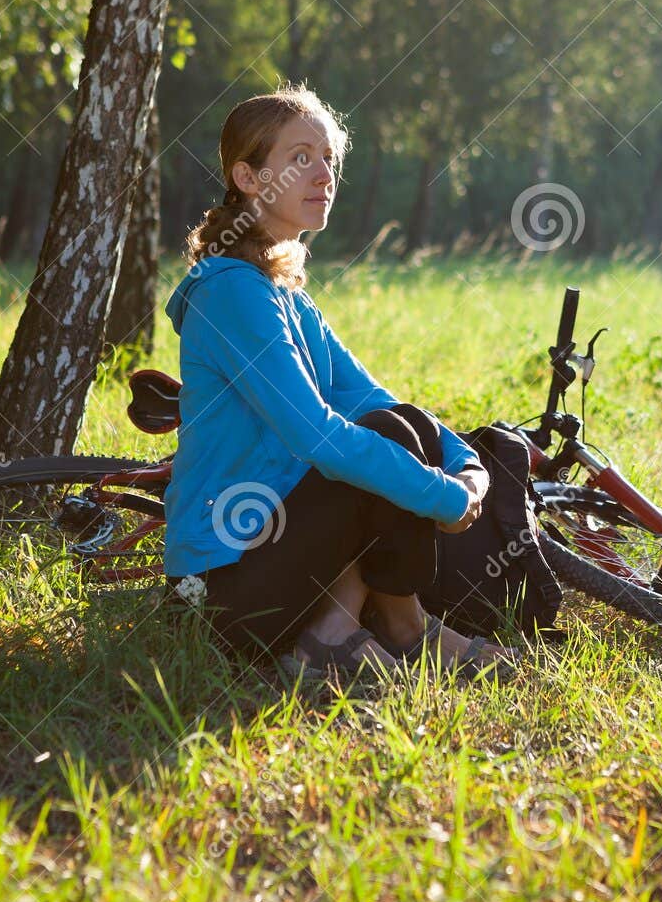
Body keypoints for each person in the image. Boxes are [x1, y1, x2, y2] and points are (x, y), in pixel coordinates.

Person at [162, 82, 520, 680]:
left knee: (395, 426)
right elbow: (318, 437)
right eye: (300, 157)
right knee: (380, 442)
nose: (323, 174)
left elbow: (378, 401)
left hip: (275, 554)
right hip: (219, 590)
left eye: (328, 158)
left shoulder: (285, 297)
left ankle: (384, 626)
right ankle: (360, 635)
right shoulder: (230, 293)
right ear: (248, 177)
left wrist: (468, 465)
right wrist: (443, 496)